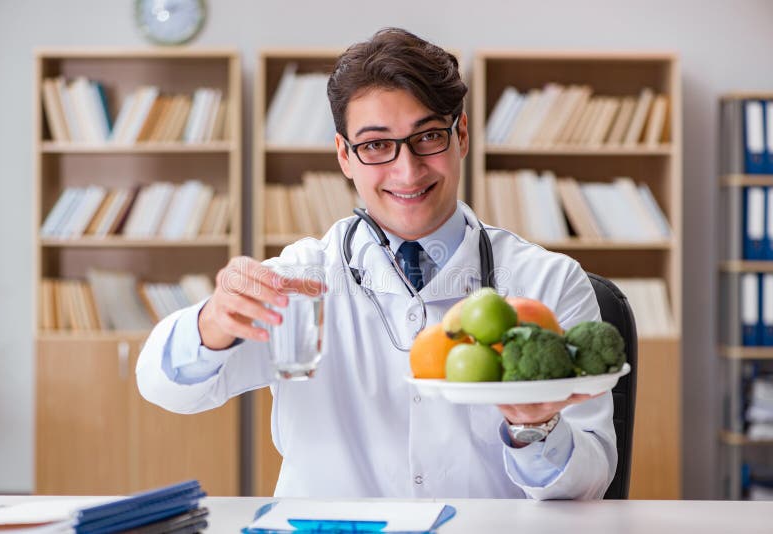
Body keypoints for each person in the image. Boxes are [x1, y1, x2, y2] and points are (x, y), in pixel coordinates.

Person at [136, 28, 616, 500]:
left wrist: (535, 427)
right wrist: (211, 324)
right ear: (345, 155)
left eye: (428, 136)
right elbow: (167, 389)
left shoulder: (548, 281)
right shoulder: (302, 278)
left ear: (461, 135)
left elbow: (589, 483)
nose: (407, 171)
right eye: (375, 145)